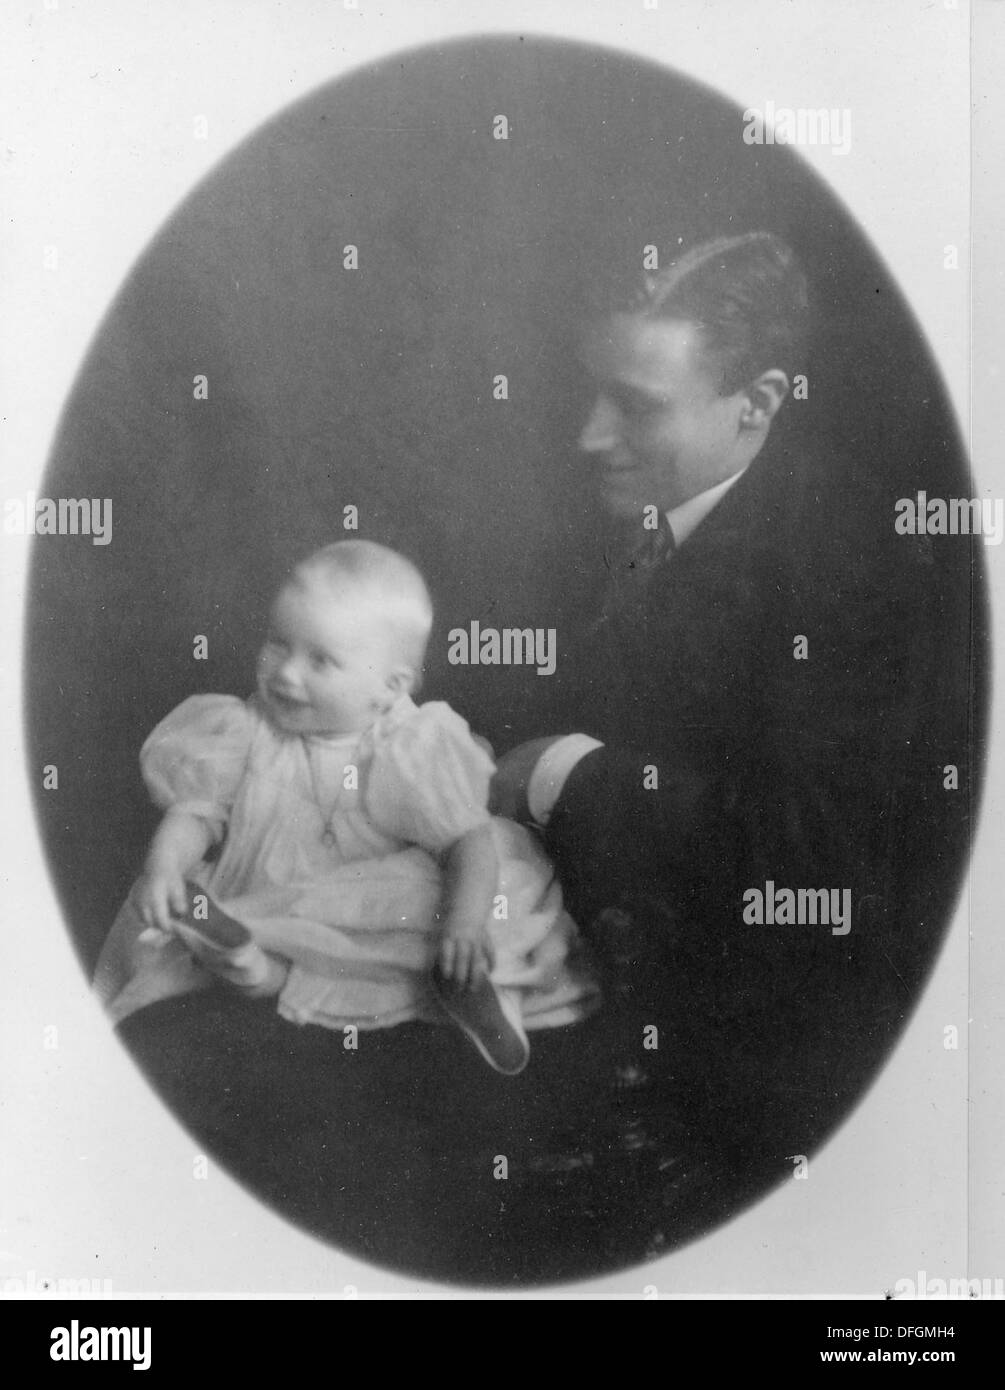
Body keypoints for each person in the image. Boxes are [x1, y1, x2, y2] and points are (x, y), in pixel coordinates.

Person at [492, 231, 940, 1152]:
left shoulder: (860, 569)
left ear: (759, 402)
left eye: (635, 405)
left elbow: (816, 867)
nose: (589, 436)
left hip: (752, 1069)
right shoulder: (581, 496)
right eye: (592, 388)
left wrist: (562, 778)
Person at [94, 540, 598, 1074]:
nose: (286, 673)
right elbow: (198, 813)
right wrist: (165, 866)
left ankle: (474, 990)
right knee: (224, 923)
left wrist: (465, 924)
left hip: (369, 910)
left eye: (320, 660)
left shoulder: (408, 745)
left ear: (389, 688)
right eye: (277, 643)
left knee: (476, 892)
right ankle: (242, 957)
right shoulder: (245, 727)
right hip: (269, 895)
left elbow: (465, 841)